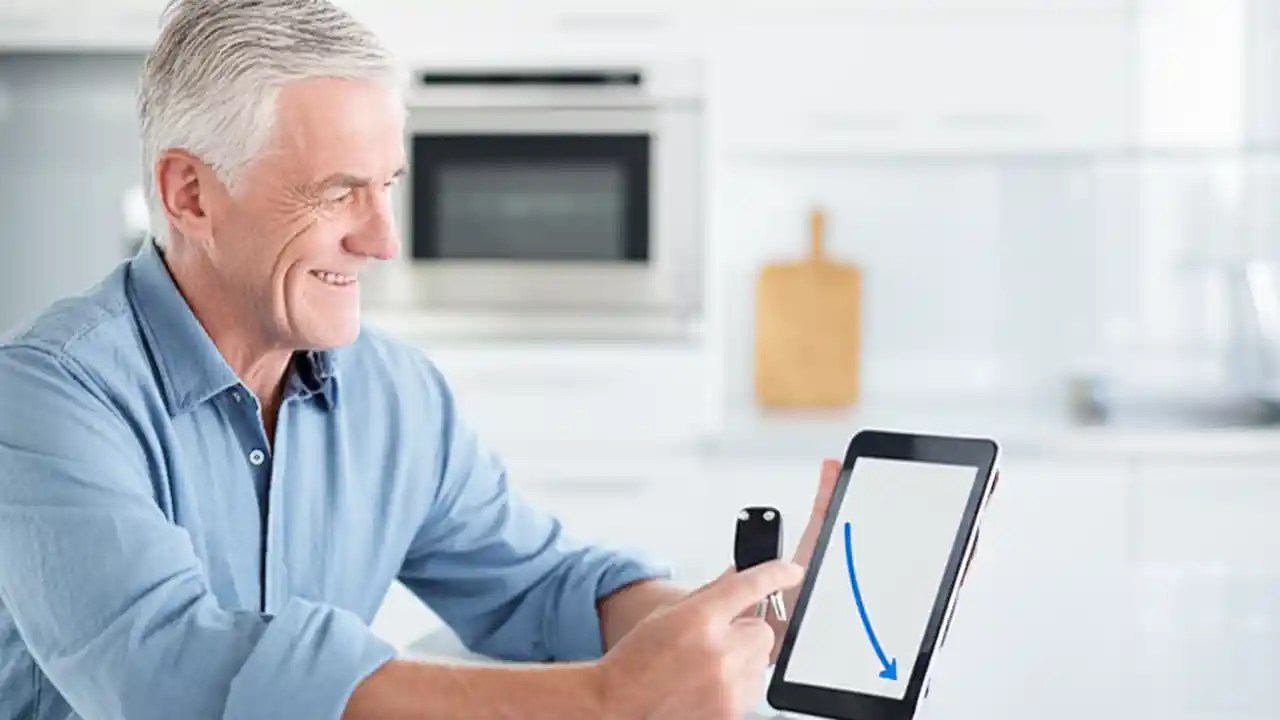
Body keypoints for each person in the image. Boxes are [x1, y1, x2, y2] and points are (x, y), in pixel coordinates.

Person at [0, 1, 838, 718]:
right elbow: (173, 672)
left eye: (388, 185)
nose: (383, 239)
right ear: (191, 194)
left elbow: (538, 587)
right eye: (336, 192)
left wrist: (744, 615)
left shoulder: (393, 395)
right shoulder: (49, 397)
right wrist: (607, 700)